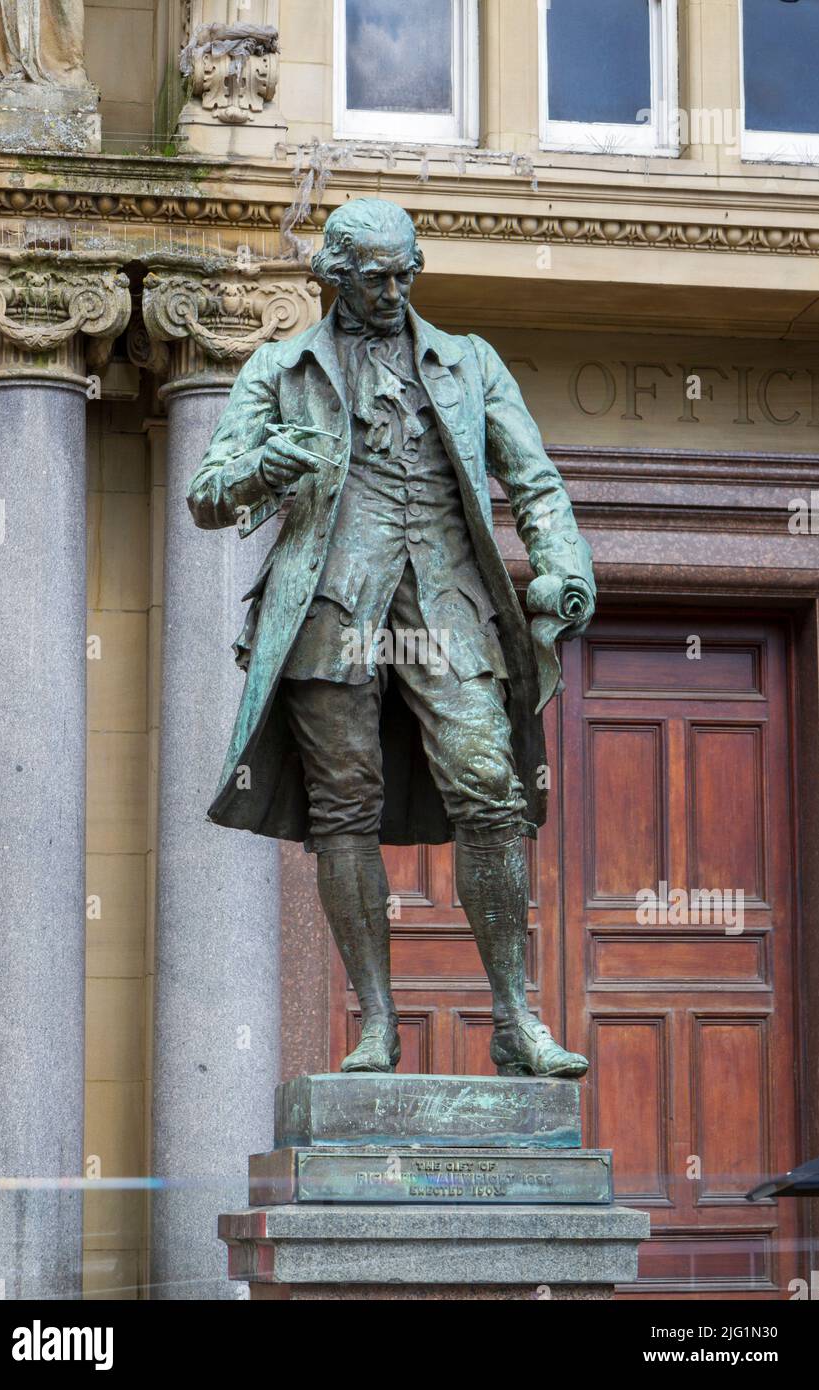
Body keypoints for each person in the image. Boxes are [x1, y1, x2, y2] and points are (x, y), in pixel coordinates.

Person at [187, 197, 596, 1078]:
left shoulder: (470, 362)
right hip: (332, 610)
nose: (396, 287)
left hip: (448, 606)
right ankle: (377, 1023)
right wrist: (266, 466)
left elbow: (537, 481)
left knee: (491, 789)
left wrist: (564, 567)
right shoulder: (278, 367)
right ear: (334, 276)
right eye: (377, 276)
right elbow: (208, 493)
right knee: (344, 811)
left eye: (408, 270)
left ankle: (514, 1021)